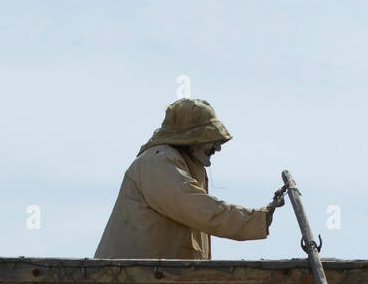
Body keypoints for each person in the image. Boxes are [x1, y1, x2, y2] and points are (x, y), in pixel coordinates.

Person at [94, 99, 284, 260]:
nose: (217, 148)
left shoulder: (182, 164)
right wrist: (257, 219)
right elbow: (202, 210)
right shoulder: (157, 162)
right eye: (210, 137)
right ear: (190, 138)